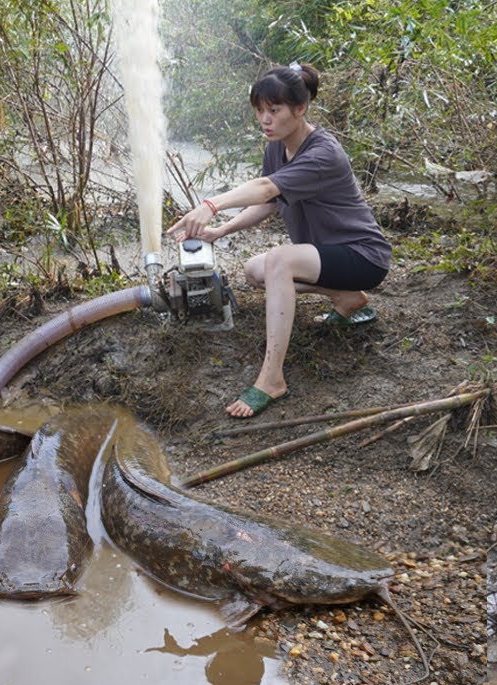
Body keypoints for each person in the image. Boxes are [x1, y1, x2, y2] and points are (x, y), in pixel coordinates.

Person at [165, 62, 392, 418]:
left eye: (274, 110)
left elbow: (267, 187)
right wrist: (220, 230)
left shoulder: (323, 153)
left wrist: (211, 204)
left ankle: (271, 379)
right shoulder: (276, 148)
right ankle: (348, 298)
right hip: (325, 255)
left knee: (279, 261)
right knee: (255, 270)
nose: (265, 120)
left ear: (300, 109)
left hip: (363, 256)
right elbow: (269, 201)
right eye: (260, 112)